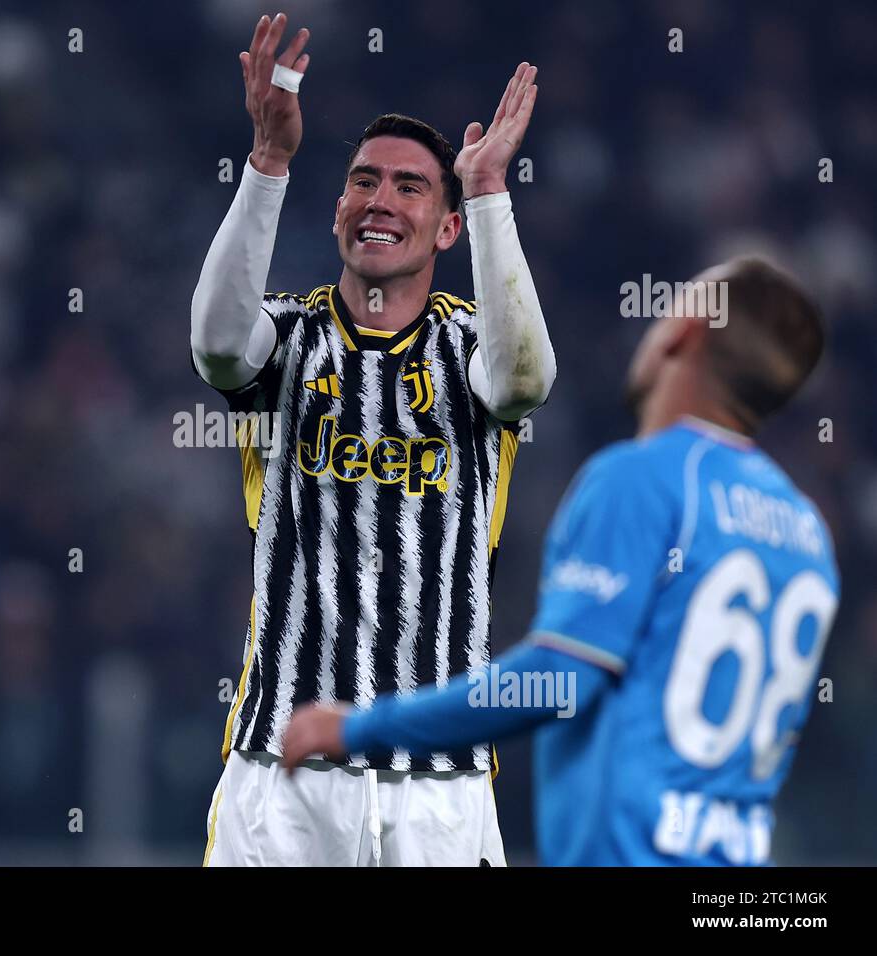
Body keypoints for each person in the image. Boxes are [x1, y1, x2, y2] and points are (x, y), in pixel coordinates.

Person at [282, 257, 838, 866]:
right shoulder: (805, 531)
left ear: (687, 330)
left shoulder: (640, 480)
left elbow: (560, 678)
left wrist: (361, 727)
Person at [192, 12, 555, 866]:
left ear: (449, 228)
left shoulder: (474, 350)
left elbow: (526, 381)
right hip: (281, 765)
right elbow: (213, 344)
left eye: (409, 187)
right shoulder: (284, 339)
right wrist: (269, 163)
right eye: (362, 181)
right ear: (337, 210)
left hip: (440, 778)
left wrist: (491, 187)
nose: (380, 201)